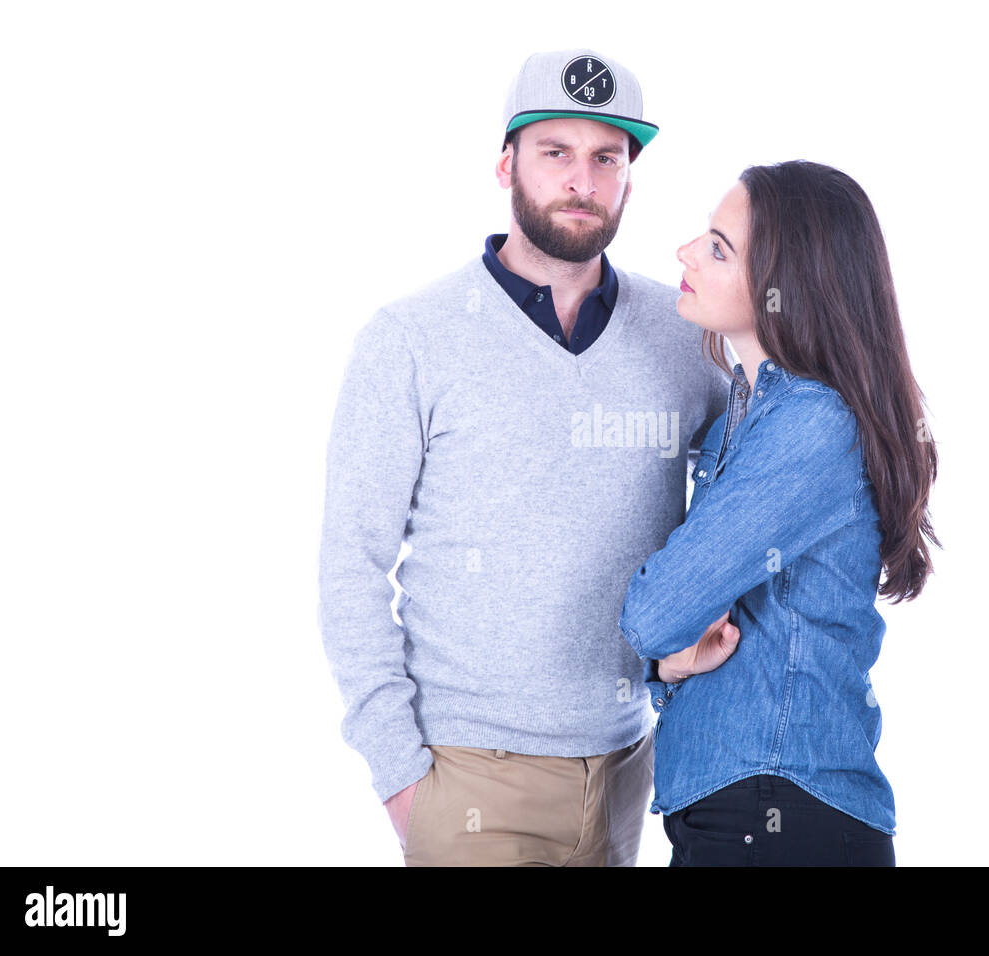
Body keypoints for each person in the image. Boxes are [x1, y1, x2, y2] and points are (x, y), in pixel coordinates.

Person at [317, 48, 740, 866]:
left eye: (606, 158)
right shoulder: (412, 339)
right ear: (506, 163)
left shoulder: (686, 336)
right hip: (468, 774)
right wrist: (401, 778)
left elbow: (751, 494)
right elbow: (350, 566)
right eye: (555, 152)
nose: (582, 180)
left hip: (628, 768)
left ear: (629, 180)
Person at [618, 160, 940, 866]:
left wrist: (663, 643)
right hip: (737, 813)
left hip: (781, 816)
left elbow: (655, 613)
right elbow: (673, 631)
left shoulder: (809, 425)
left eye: (718, 248)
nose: (685, 253)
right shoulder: (743, 419)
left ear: (782, 287)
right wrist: (668, 668)